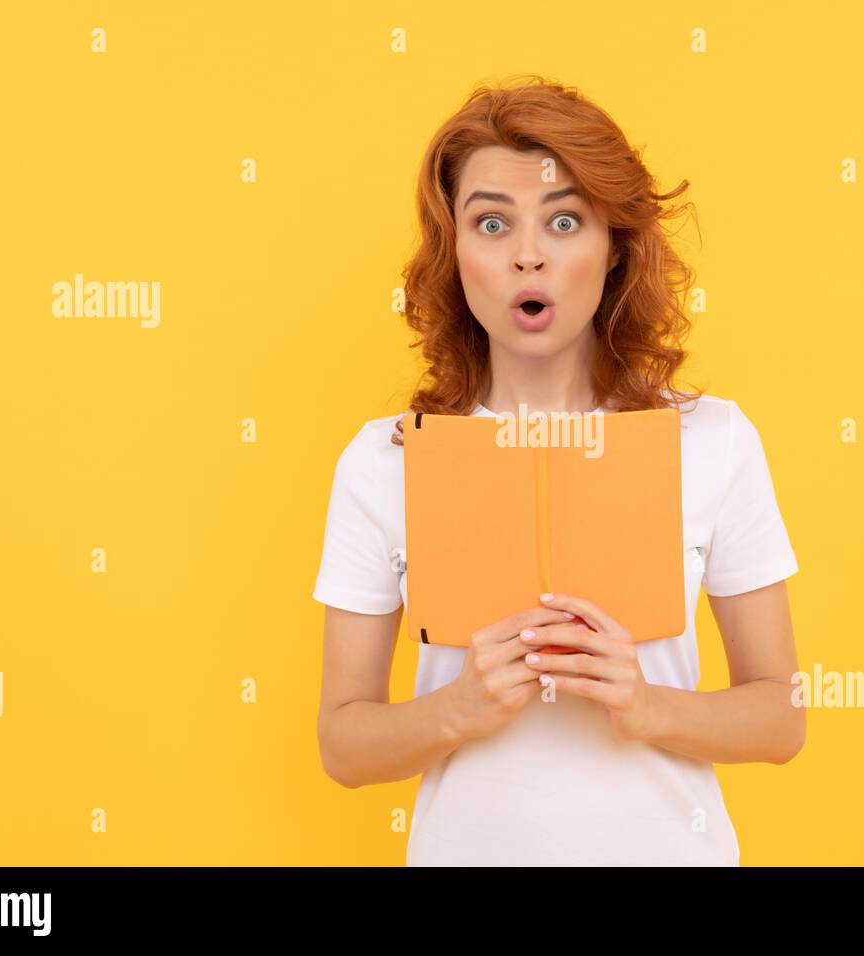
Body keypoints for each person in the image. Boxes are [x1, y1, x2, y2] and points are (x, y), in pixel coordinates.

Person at [313, 77, 803, 865]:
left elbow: (783, 718)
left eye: (565, 220)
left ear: (614, 250)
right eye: (492, 223)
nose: (528, 255)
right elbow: (343, 743)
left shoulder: (713, 442)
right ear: (455, 253)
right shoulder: (385, 461)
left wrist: (646, 706)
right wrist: (458, 709)